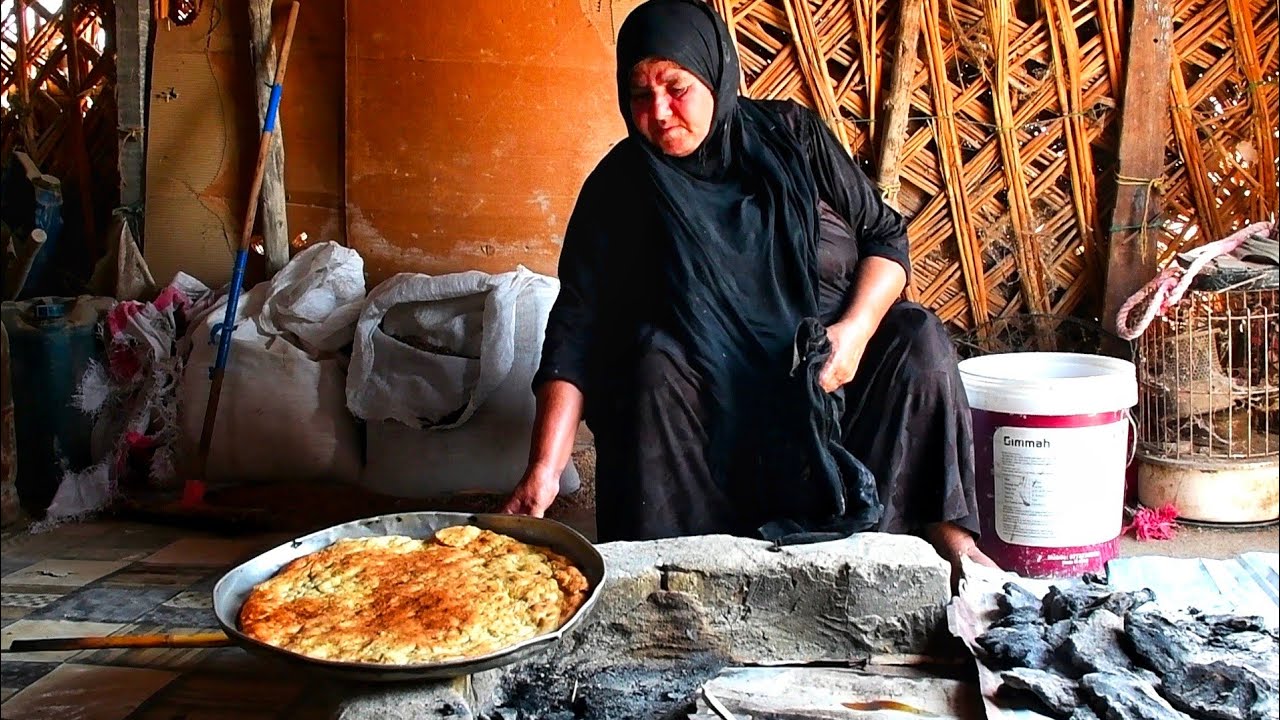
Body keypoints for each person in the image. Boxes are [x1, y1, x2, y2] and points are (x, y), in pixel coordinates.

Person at [501, 0, 997, 576]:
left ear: (714, 75)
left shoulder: (793, 137)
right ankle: (679, 578)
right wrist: (544, 470)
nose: (658, 111)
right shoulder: (621, 187)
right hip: (710, 415)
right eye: (639, 94)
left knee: (918, 336)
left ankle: (939, 543)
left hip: (828, 387)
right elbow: (576, 331)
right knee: (650, 363)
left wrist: (855, 333)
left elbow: (884, 237)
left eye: (677, 88)